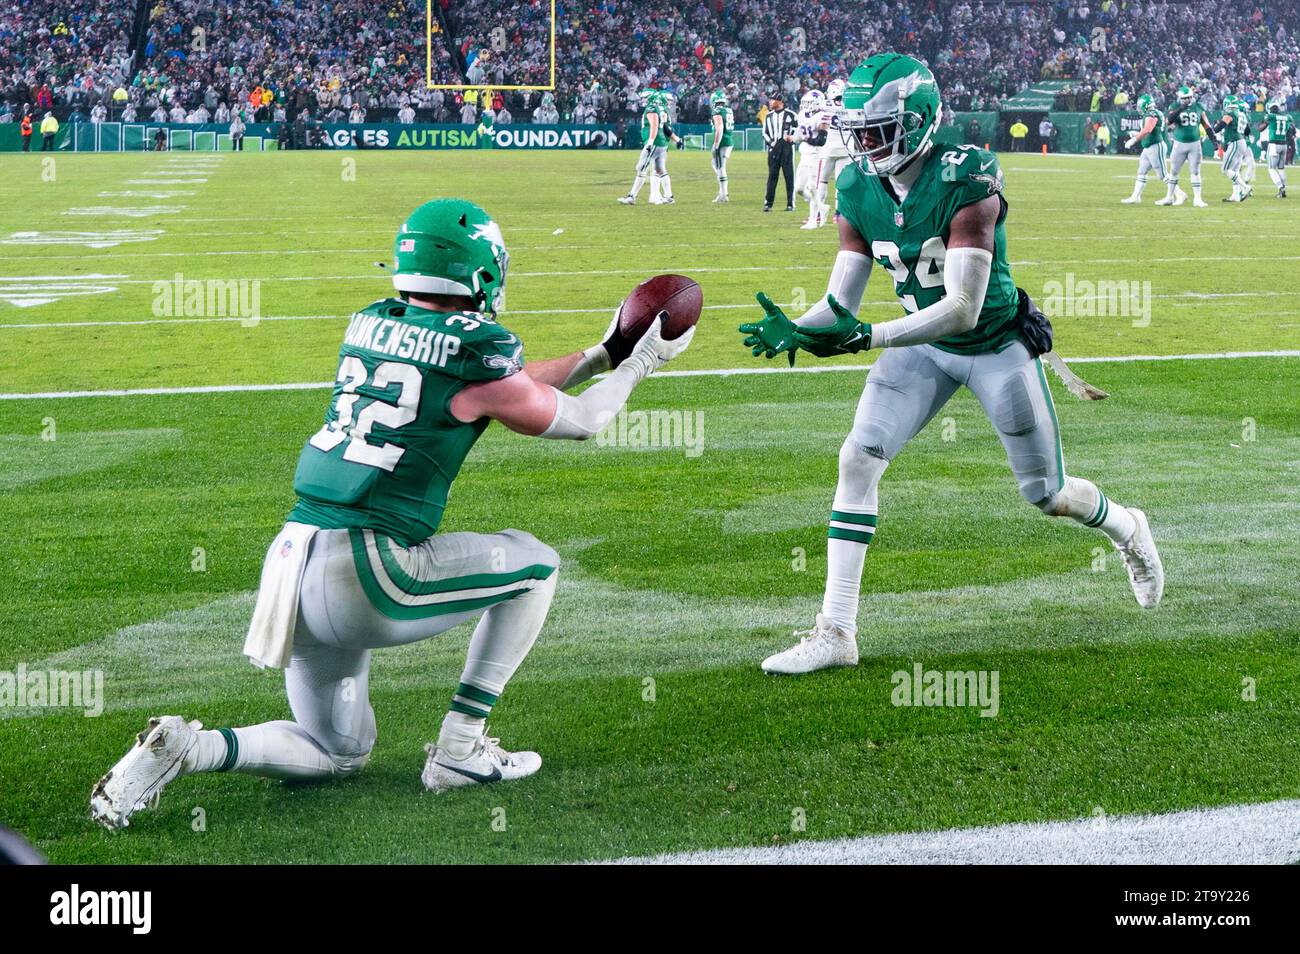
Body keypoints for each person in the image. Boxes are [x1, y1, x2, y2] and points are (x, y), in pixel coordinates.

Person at [89, 198, 695, 829]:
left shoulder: (373, 323)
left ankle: (189, 747)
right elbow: (581, 421)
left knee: (336, 750)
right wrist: (643, 362)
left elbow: (505, 389)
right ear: (481, 270)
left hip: (292, 564)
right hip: (367, 571)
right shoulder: (478, 351)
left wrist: (601, 355)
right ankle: (460, 750)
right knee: (536, 565)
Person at [737, 54, 1164, 675]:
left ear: (919, 121)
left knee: (1046, 495)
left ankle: (1128, 529)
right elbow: (840, 304)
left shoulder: (968, 174)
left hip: (993, 345)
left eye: (877, 129)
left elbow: (962, 308)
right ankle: (836, 629)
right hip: (922, 346)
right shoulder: (857, 186)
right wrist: (799, 329)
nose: (863, 142)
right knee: (858, 457)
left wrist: (868, 336)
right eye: (857, 129)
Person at [1158, 86, 1217, 207]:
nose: (1187, 100)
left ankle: (1197, 199)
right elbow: (1168, 121)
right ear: (1180, 98)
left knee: (1195, 171)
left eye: (1189, 98)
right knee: (1173, 171)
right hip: (1179, 143)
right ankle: (1169, 197)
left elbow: (1206, 125)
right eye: (1184, 98)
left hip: (1195, 144)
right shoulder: (1174, 106)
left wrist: (1214, 140)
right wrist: (1180, 109)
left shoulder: (1198, 107)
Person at [619, 89, 677, 205]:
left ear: (650, 98)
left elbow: (655, 125)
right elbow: (666, 128)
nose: (643, 100)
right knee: (660, 170)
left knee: (641, 168)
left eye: (645, 98)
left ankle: (632, 196)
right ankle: (669, 196)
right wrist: (676, 139)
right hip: (662, 143)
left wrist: (650, 142)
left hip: (654, 142)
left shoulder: (652, 108)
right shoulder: (662, 109)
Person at [814, 79, 853, 225]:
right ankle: (838, 214)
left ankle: (818, 213)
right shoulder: (850, 105)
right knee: (840, 183)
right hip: (846, 147)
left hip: (829, 148)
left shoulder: (827, 105)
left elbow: (823, 125)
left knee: (822, 181)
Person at [1121, 94, 1170, 204]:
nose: (1138, 108)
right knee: (1141, 171)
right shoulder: (1151, 113)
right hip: (1148, 147)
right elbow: (1149, 131)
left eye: (1139, 105)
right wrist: (1137, 133)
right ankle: (1135, 197)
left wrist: (1134, 140)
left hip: (1155, 146)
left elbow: (1148, 129)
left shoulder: (1152, 113)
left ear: (1145, 105)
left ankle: (1178, 194)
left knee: (1163, 175)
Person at [794, 89, 828, 227]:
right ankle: (822, 207)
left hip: (816, 154)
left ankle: (813, 220)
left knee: (813, 187)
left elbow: (821, 140)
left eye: (809, 103)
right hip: (804, 154)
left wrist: (806, 139)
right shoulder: (802, 114)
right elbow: (799, 133)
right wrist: (794, 138)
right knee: (799, 189)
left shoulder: (822, 116)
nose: (806, 105)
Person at [1213, 96, 1253, 202]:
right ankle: (1236, 196)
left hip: (1235, 142)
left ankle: (1245, 187)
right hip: (1242, 142)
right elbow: (1247, 131)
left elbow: (1221, 125)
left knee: (1225, 169)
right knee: (1235, 171)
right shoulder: (1242, 114)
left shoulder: (1231, 114)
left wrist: (1212, 131)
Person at [762, 96, 796, 212]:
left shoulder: (791, 115)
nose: (770, 102)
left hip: (786, 148)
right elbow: (765, 133)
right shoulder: (768, 116)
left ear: (781, 101)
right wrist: (771, 143)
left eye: (773, 100)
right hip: (773, 149)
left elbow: (798, 129)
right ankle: (768, 203)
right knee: (772, 176)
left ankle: (790, 204)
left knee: (789, 176)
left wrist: (792, 138)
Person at [1259, 98, 1292, 198]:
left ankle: (1281, 188)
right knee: (1281, 168)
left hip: (1274, 145)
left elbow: (1260, 129)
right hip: (1284, 144)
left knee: (1271, 168)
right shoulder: (1287, 117)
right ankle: (1284, 188)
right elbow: (1289, 130)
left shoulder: (1270, 116)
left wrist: (1265, 123)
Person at [709, 88, 734, 203]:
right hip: (729, 140)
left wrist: (716, 144)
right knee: (716, 165)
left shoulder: (717, 111)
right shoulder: (728, 110)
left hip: (723, 141)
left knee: (720, 167)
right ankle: (722, 192)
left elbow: (719, 128)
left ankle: (724, 194)